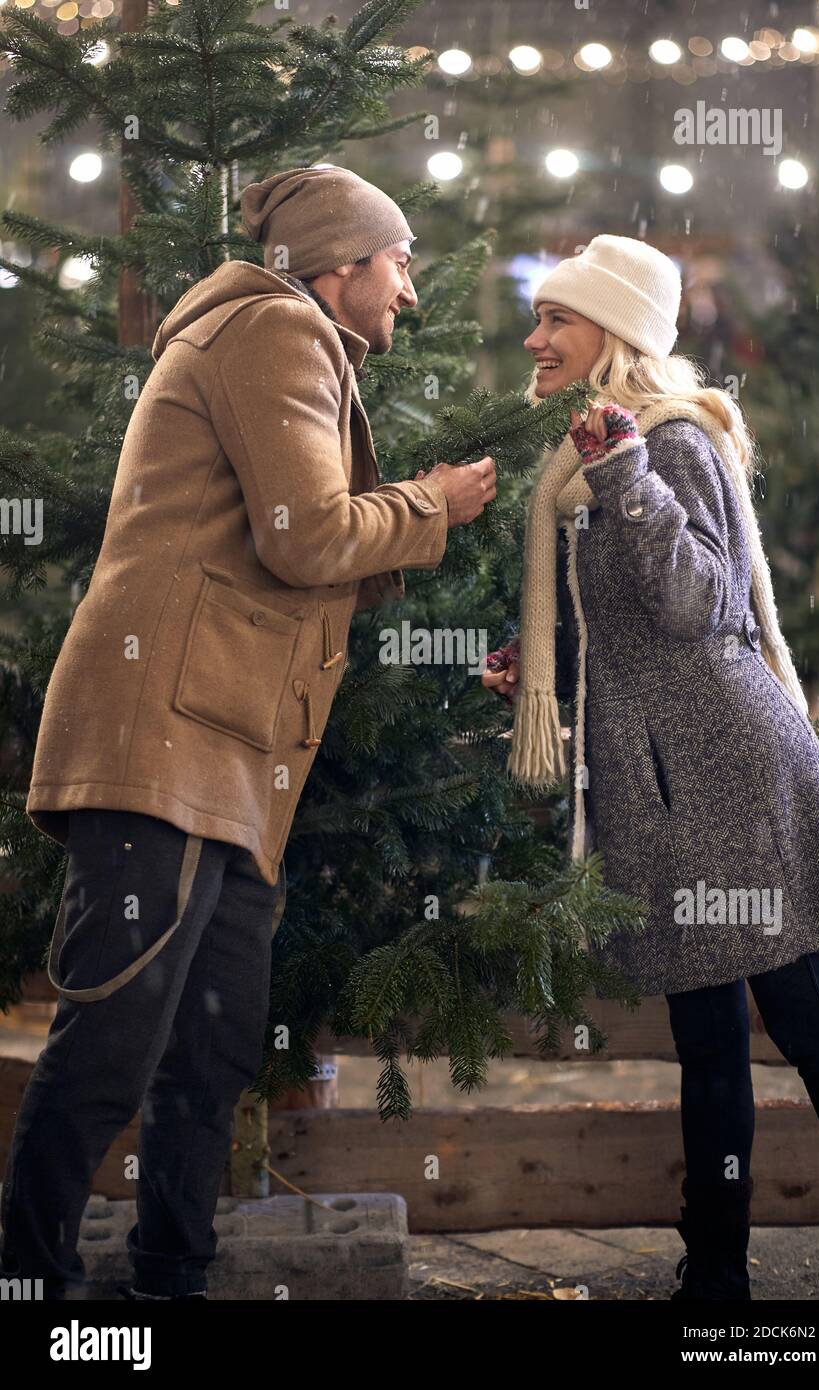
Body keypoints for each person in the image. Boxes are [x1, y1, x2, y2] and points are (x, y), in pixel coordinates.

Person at [0, 166, 496, 1301]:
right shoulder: (277, 327)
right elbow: (304, 535)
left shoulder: (284, 327)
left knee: (214, 1045)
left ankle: (168, 1279)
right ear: (337, 265)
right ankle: (27, 1284)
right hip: (163, 745)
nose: (408, 293)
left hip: (227, 754)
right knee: (113, 1040)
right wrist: (432, 505)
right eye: (398, 262)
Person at [482, 234, 819, 1300]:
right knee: (706, 1042)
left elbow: (704, 603)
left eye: (557, 319)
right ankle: (714, 1275)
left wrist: (628, 479)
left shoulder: (669, 442)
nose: (535, 337)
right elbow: (627, 627)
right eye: (540, 317)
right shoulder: (589, 455)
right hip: (663, 786)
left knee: (803, 1024)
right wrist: (540, 675)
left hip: (730, 778)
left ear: (614, 333)